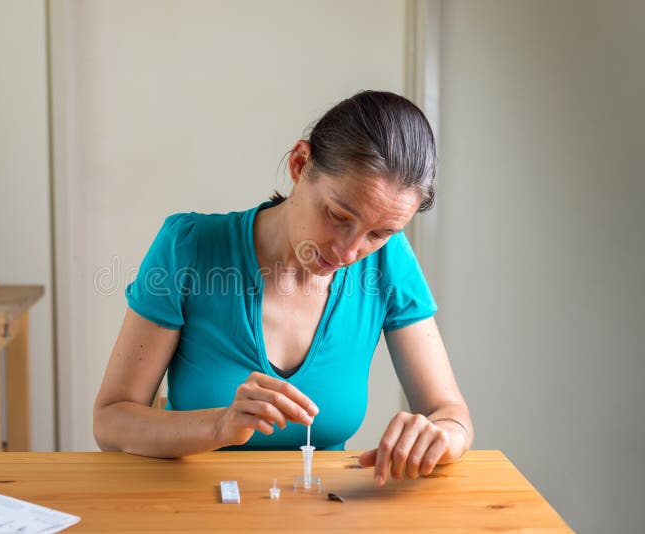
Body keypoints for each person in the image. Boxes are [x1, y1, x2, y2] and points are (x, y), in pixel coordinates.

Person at [93, 90, 473, 486]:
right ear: (299, 164)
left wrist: (443, 436)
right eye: (338, 215)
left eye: (379, 233)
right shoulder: (188, 246)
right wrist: (218, 426)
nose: (348, 251)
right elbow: (111, 420)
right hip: (192, 509)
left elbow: (449, 412)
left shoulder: (388, 263)